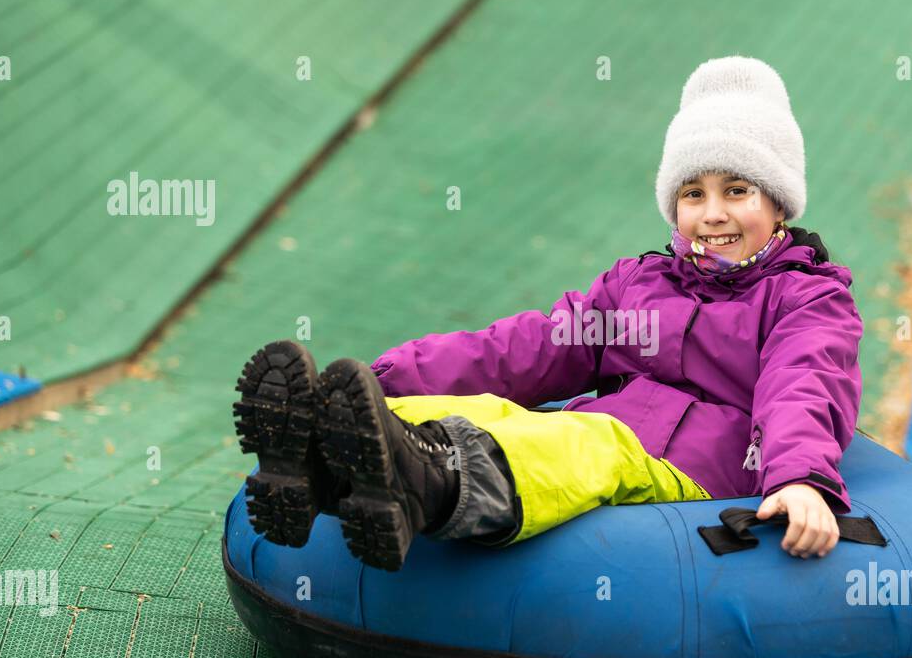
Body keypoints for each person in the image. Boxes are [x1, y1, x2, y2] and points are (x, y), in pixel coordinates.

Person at [234, 55, 863, 572]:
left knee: (584, 442)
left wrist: (800, 476)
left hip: (705, 461)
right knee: (491, 413)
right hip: (617, 426)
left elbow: (804, 384)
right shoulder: (640, 284)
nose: (713, 213)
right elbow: (532, 347)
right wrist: (386, 379)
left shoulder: (805, 297)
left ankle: (429, 484)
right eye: (693, 194)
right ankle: (320, 453)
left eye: (737, 191)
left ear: (778, 204)